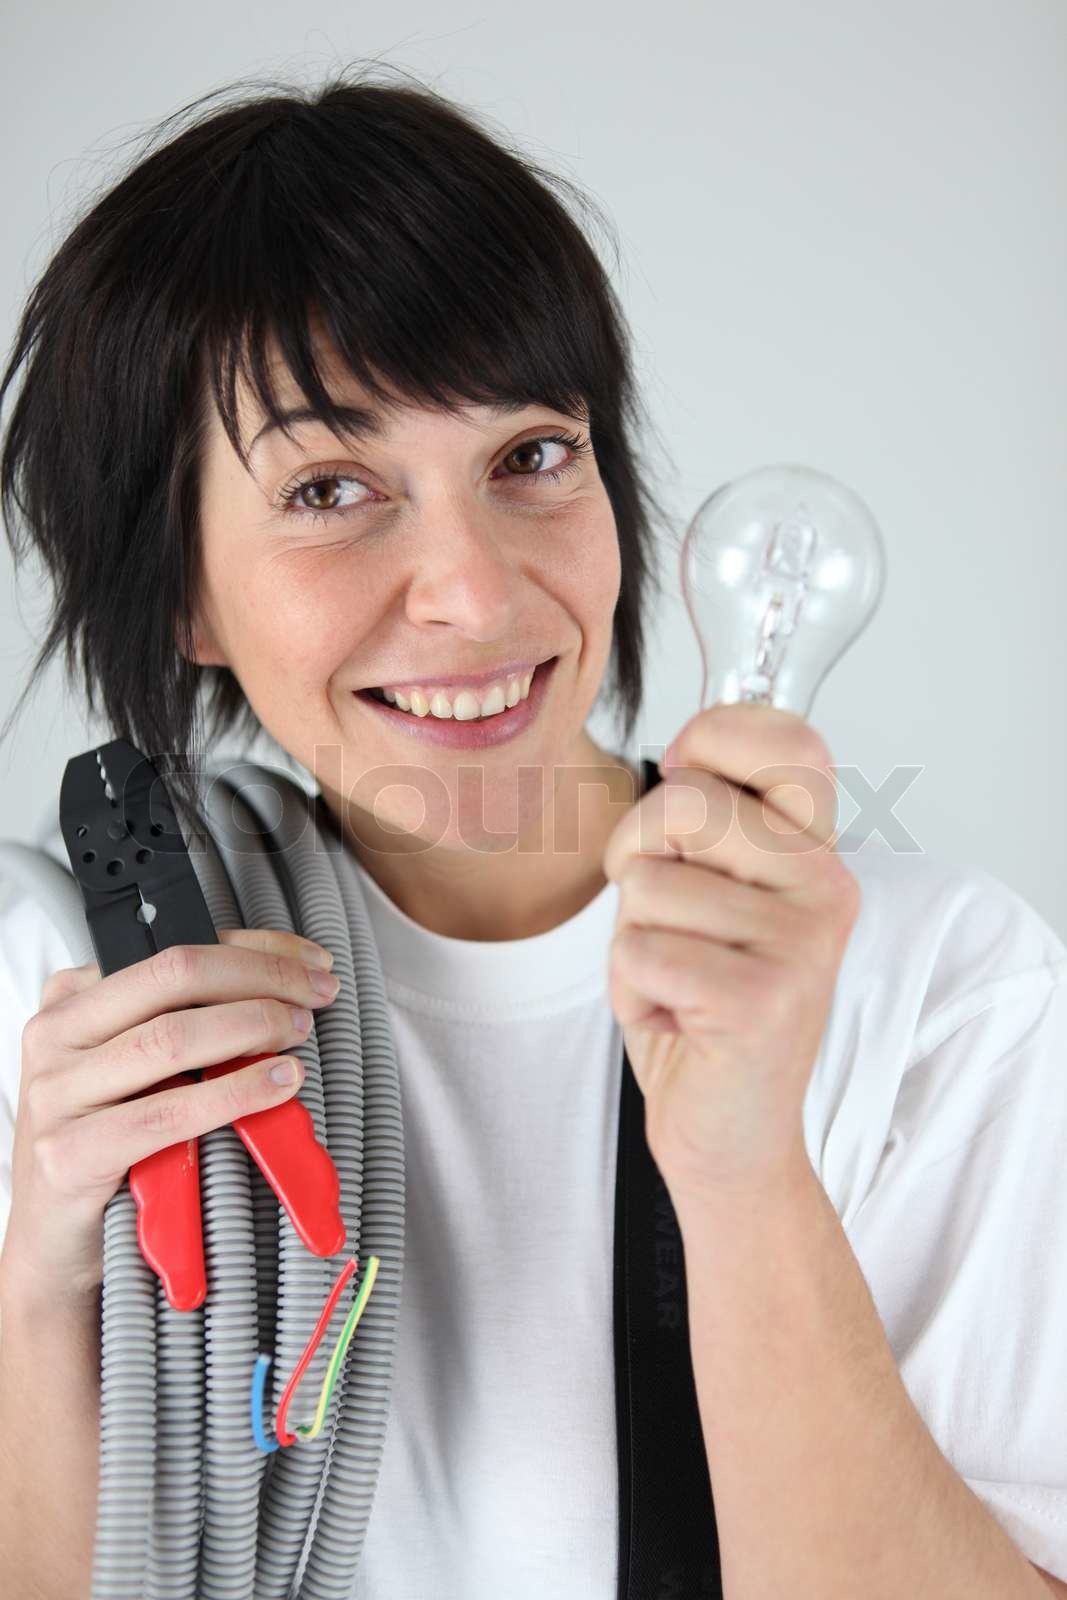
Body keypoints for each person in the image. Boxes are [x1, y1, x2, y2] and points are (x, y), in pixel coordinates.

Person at [0, 63, 1065, 1600]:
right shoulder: (66, 996)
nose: (479, 596)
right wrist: (43, 1279)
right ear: (178, 587)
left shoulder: (935, 994)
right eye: (331, 486)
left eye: (531, 458)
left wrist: (745, 1166)